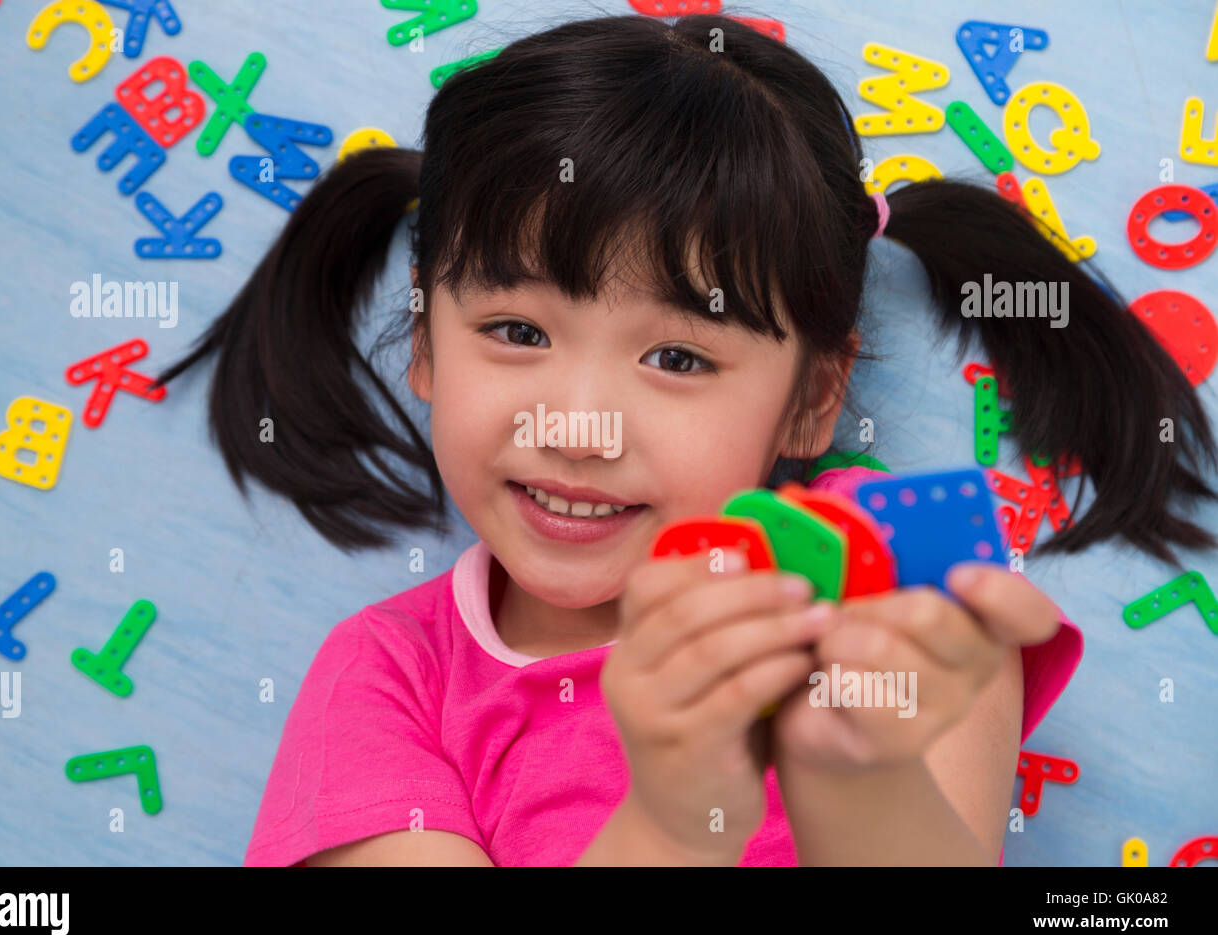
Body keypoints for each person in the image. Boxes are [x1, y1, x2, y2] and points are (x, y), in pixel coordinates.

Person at [151, 13, 1217, 865]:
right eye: (516, 331)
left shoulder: (897, 583)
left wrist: (852, 778)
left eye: (677, 359)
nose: (575, 425)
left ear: (812, 399)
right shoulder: (385, 677)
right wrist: (671, 820)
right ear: (425, 349)